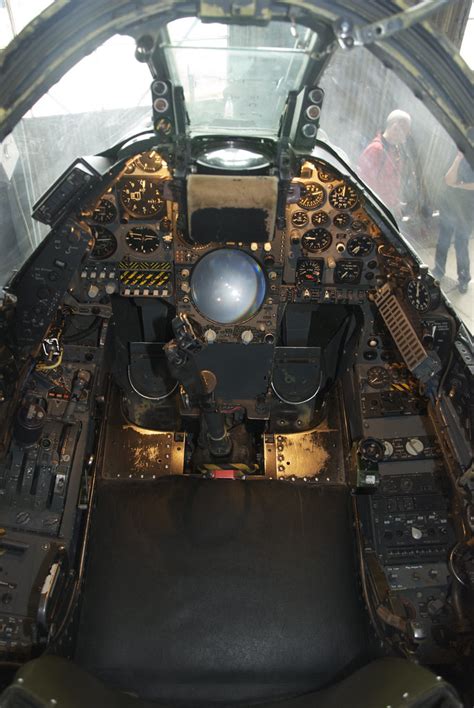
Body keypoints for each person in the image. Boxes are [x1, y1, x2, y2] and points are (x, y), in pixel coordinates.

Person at [357, 110, 412, 219]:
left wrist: (395, 203)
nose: (407, 135)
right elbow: (363, 183)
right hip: (372, 211)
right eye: (405, 130)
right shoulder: (376, 149)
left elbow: (390, 183)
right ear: (395, 127)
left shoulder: (395, 151)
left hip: (384, 210)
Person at [433, 152, 473, 294]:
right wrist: (457, 159)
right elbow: (448, 180)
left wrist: (458, 186)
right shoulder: (457, 156)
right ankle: (438, 270)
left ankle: (463, 279)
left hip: (468, 210)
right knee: (443, 240)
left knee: (461, 244)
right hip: (449, 206)